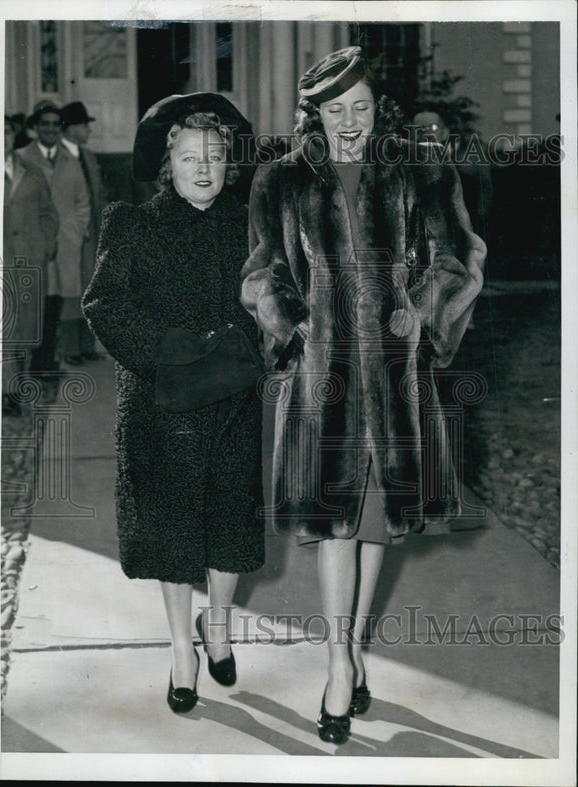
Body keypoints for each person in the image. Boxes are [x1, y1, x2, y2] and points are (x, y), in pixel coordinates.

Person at [241, 46, 486, 745]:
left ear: (380, 109)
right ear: (312, 113)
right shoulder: (281, 179)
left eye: (363, 107)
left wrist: (423, 306)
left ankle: (350, 642)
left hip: (396, 378)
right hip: (326, 383)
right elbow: (260, 274)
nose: (350, 122)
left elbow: (459, 254)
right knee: (335, 525)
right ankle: (339, 659)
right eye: (336, 109)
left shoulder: (415, 169)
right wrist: (294, 323)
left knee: (377, 521)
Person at [82, 93, 264, 714]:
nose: (205, 167)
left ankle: (219, 626)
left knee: (230, 523)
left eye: (215, 155)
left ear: (229, 162)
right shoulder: (132, 223)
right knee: (171, 528)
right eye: (191, 156)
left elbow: (279, 297)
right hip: (162, 404)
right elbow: (103, 304)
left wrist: (262, 341)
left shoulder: (250, 223)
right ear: (169, 163)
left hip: (234, 400)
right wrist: (168, 349)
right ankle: (181, 650)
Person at [18, 102, 91, 375]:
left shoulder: (70, 159)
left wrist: (75, 231)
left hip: (65, 246)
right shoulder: (21, 157)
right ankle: (33, 364)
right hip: (34, 244)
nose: (50, 129)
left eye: (55, 124)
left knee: (57, 304)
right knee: (36, 302)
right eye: (44, 124)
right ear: (36, 128)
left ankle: (46, 363)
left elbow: (82, 202)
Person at [3, 114, 58, 413]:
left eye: (7, 134)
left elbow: (49, 214)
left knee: (24, 329)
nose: (2, 140)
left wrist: (45, 245)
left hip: (28, 262)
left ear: (15, 137)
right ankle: (7, 393)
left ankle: (15, 386)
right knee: (1, 330)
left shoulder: (32, 172)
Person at [60, 101, 108, 363]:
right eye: (83, 125)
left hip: (92, 234)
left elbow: (97, 195)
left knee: (89, 289)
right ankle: (69, 350)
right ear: (71, 128)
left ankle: (87, 346)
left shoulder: (87, 156)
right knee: (70, 290)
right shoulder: (57, 156)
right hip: (69, 235)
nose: (88, 130)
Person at [412, 107, 493, 243]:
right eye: (419, 129)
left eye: (432, 127)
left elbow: (484, 192)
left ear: (444, 133)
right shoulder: (402, 169)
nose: (425, 133)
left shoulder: (459, 171)